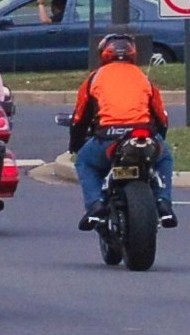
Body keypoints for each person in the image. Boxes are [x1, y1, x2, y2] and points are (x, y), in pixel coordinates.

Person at [69, 33, 175, 230]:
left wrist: (75, 145)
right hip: (143, 136)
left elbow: (79, 118)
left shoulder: (94, 79)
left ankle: (95, 204)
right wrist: (160, 137)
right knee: (165, 157)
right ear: (132, 53)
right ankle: (164, 202)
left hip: (108, 138)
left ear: (103, 54)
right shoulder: (143, 78)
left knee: (84, 161)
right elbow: (161, 116)